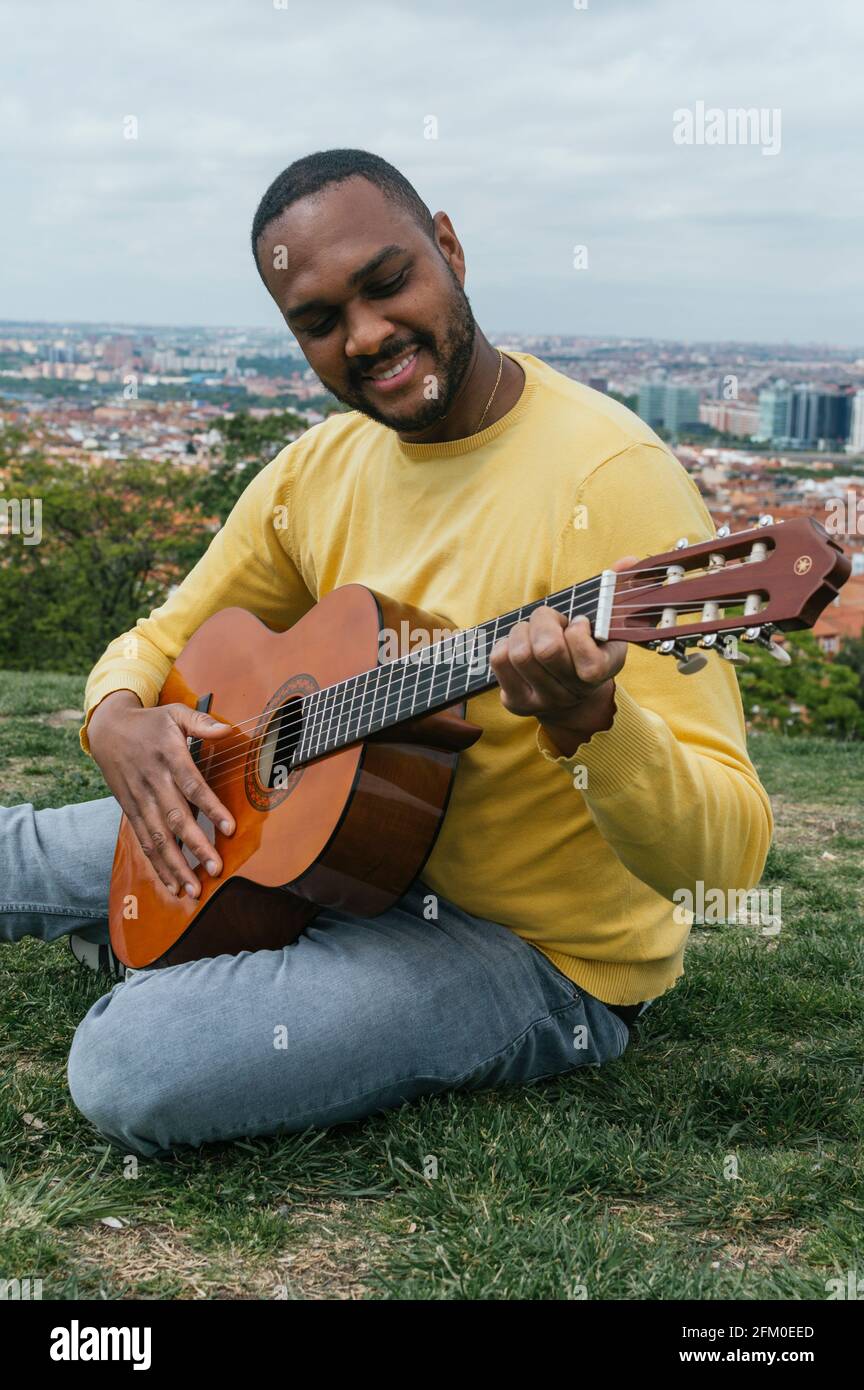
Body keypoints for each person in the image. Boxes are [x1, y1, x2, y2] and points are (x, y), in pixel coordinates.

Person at [1, 149, 772, 1160]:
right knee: (19, 850)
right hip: (329, 848)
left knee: (130, 1065)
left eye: (387, 281)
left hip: (528, 951)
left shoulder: (612, 478)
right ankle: (219, 940)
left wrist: (596, 726)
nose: (366, 335)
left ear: (447, 247)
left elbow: (729, 859)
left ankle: (192, 955)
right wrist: (116, 716)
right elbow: (167, 634)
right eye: (320, 321)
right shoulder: (318, 470)